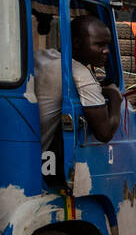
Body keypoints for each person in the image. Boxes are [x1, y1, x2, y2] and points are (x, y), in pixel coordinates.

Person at [36, 14, 123, 150]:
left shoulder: (41, 56)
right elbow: (104, 133)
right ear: (77, 43)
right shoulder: (79, 72)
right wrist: (115, 97)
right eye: (99, 45)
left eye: (107, 45)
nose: (106, 51)